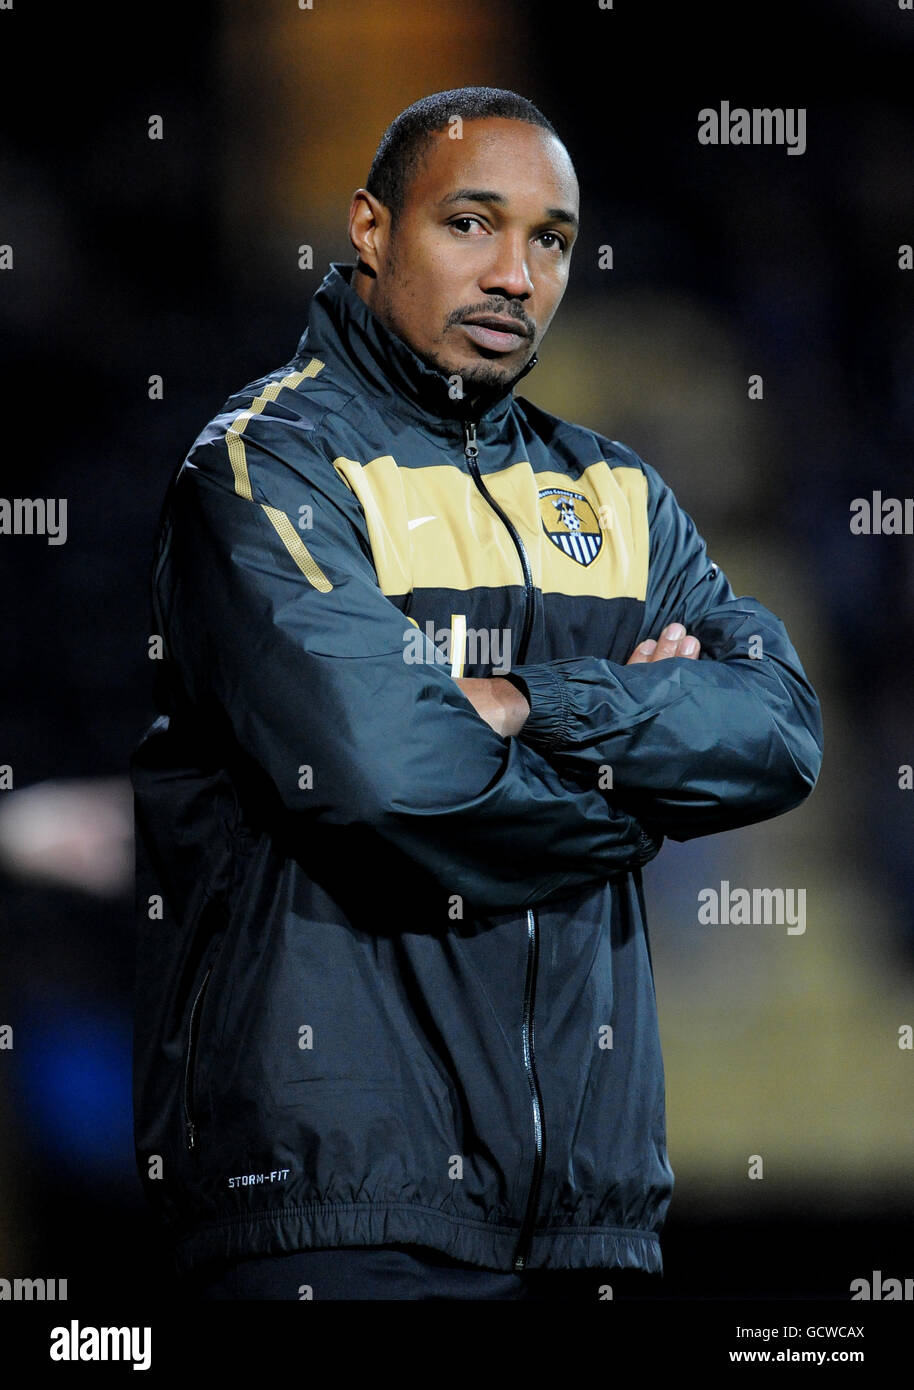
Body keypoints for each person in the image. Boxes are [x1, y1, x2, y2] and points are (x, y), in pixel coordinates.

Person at [130, 86, 823, 1301]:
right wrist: (637, 797)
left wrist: (529, 702)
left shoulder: (618, 496)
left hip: (587, 1222)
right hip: (332, 1214)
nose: (514, 272)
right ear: (370, 229)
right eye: (470, 223)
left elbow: (778, 731)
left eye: (548, 239)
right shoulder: (264, 464)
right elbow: (391, 779)